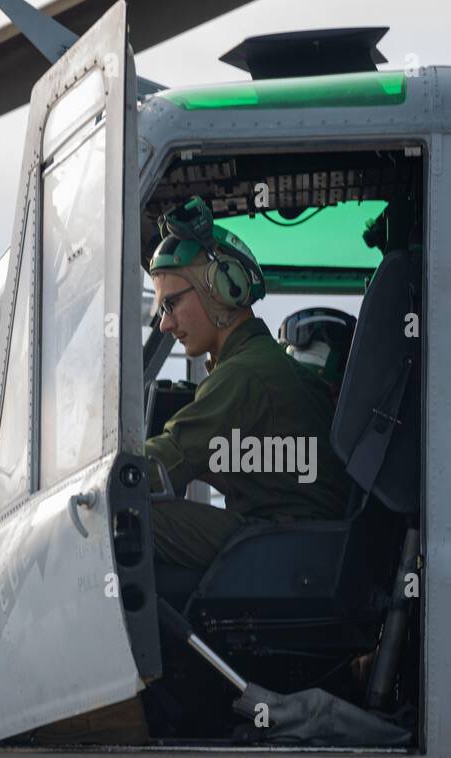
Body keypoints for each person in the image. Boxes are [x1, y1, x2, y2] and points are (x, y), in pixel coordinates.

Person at [144, 198, 351, 568]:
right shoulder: (258, 364)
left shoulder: (245, 374)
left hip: (286, 548)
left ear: (224, 288)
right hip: (304, 547)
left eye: (170, 305)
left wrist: (93, 487)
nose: (164, 323)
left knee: (133, 517)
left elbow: (168, 457)